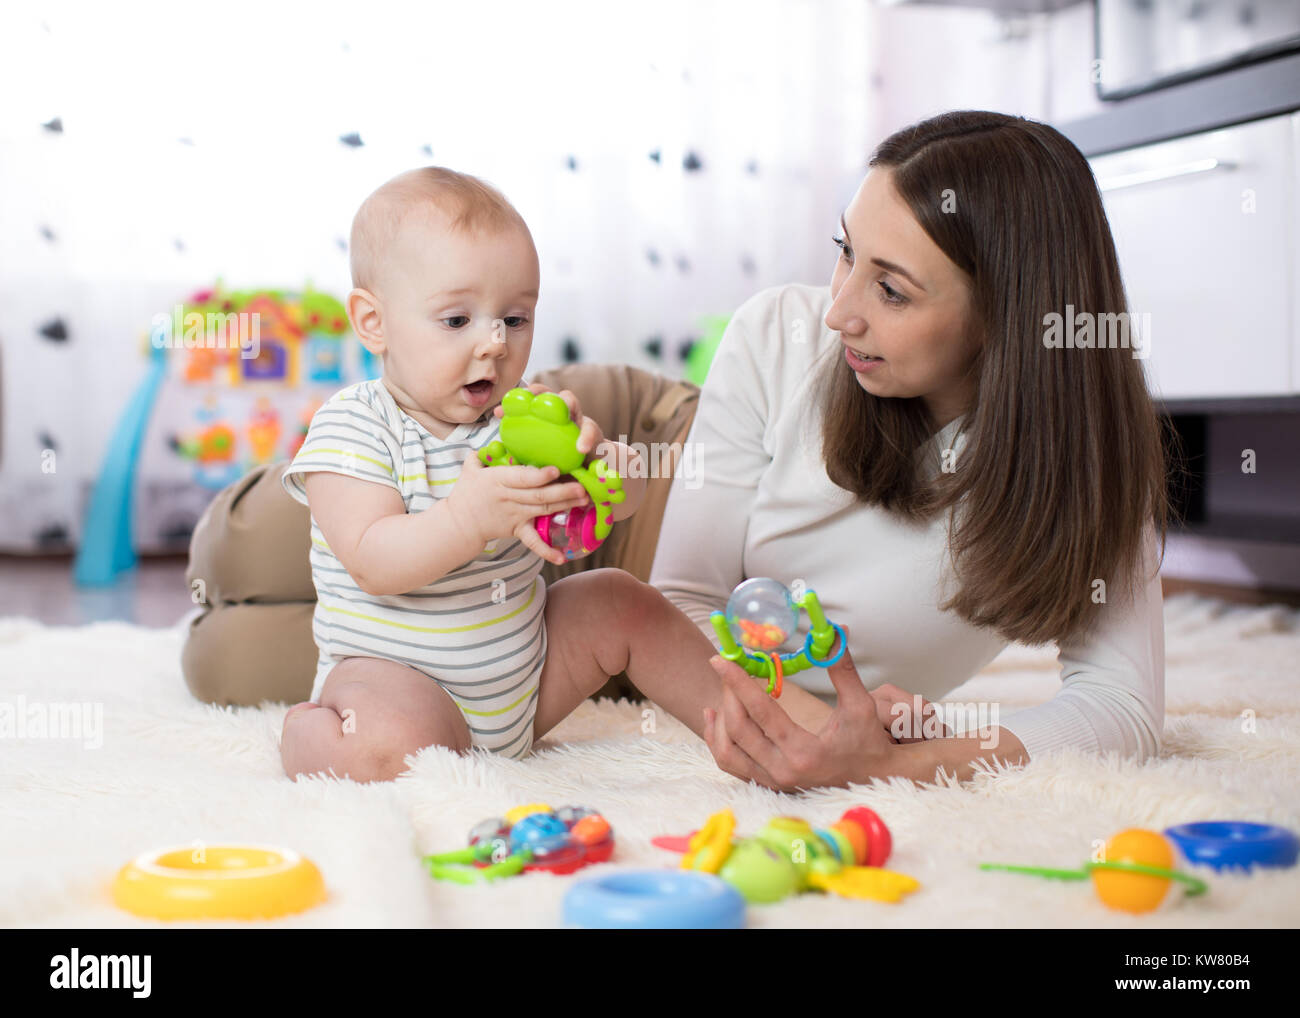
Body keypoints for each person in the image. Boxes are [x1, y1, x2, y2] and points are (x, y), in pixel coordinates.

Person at [649, 109, 1169, 792]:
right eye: (846, 252)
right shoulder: (777, 335)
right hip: (627, 477)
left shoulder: (1086, 447)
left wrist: (906, 763)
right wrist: (824, 733)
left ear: (1005, 317)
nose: (839, 312)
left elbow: (1121, 706)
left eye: (891, 290)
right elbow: (675, 605)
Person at [276, 167, 735, 781]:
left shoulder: (520, 422)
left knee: (619, 598)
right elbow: (372, 562)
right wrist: (467, 518)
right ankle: (309, 732)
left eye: (514, 320)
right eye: (457, 320)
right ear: (373, 323)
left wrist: (609, 479)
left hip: (527, 680)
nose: (494, 344)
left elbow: (606, 512)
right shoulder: (354, 425)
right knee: (380, 748)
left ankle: (748, 724)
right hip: (402, 685)